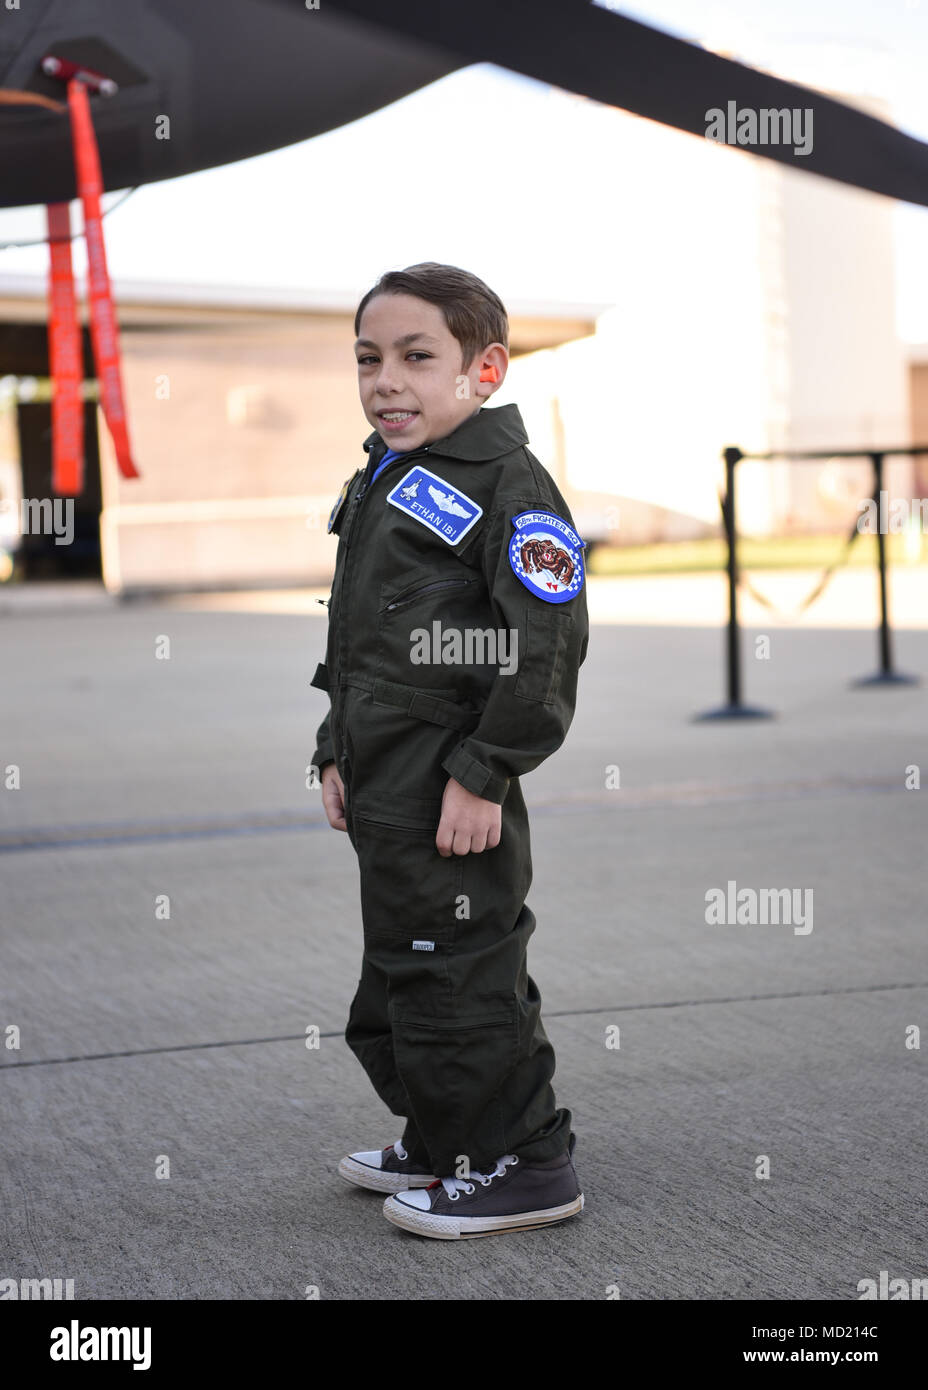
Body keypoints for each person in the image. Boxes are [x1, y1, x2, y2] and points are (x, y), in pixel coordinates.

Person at [311, 262, 589, 1239]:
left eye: (416, 357)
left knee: (457, 968)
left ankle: (521, 1162)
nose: (386, 379)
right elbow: (359, 637)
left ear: (485, 369)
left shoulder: (506, 486)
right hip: (384, 775)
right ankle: (445, 1138)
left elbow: (545, 645)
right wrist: (333, 749)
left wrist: (487, 769)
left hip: (449, 783)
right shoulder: (389, 474)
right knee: (398, 971)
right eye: (368, 359)